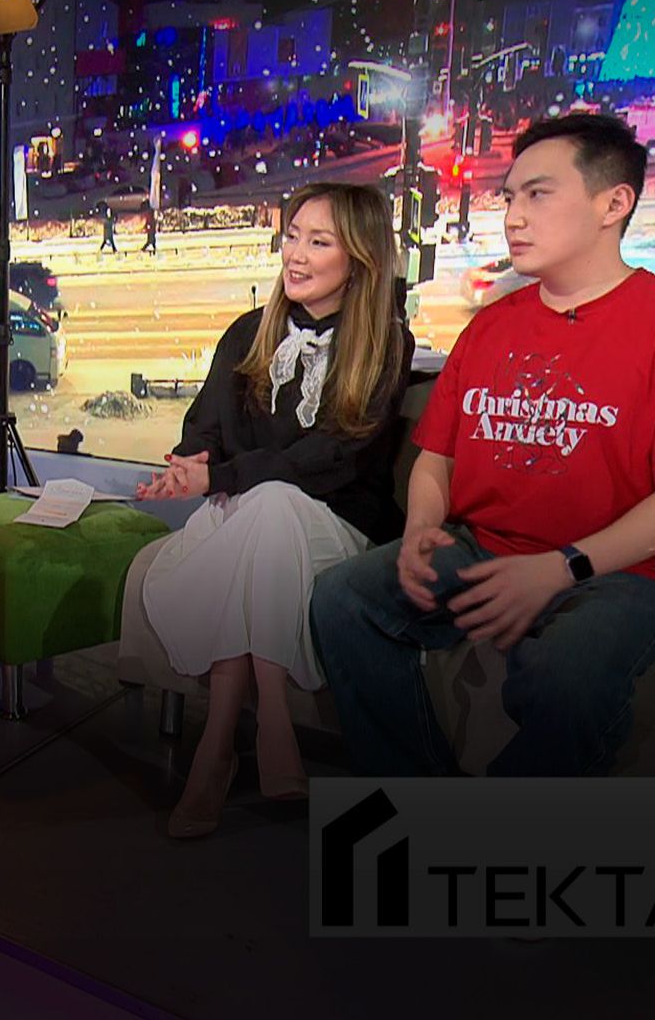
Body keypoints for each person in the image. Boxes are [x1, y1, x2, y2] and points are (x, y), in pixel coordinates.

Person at [310, 113, 655, 778]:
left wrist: (561, 567)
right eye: (509, 197)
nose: (513, 217)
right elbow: (436, 457)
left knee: (566, 676)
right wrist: (420, 529)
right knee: (342, 597)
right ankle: (418, 803)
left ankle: (516, 831)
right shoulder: (490, 327)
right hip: (484, 547)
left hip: (625, 571)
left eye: (538, 194)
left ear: (614, 203)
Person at [129, 182, 414, 838]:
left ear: (361, 259)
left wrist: (224, 476)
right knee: (266, 509)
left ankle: (217, 750)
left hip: (333, 526)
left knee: (278, 502)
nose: (296, 254)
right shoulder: (246, 333)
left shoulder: (384, 344)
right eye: (292, 236)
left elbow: (332, 457)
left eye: (319, 241)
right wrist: (188, 466)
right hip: (244, 518)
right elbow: (203, 427)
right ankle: (271, 725)